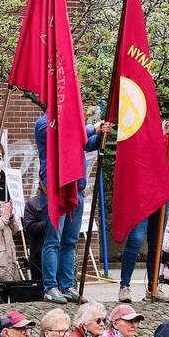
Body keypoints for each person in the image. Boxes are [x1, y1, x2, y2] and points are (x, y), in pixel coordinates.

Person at [34, 107, 110, 304]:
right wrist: (93, 127)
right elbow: (64, 134)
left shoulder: (73, 128)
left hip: (76, 191)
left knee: (70, 241)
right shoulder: (44, 124)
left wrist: (101, 134)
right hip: (55, 192)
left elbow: (86, 143)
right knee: (53, 240)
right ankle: (50, 287)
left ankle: (67, 285)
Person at [115, 123, 169, 302]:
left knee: (157, 244)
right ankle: (125, 287)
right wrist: (163, 135)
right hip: (141, 195)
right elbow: (143, 152)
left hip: (161, 193)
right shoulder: (138, 131)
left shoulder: (162, 135)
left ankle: (153, 288)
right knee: (136, 240)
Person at [21, 187, 47, 287]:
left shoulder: (61, 201)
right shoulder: (32, 203)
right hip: (39, 255)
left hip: (59, 253)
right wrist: (48, 223)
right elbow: (29, 228)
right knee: (39, 288)